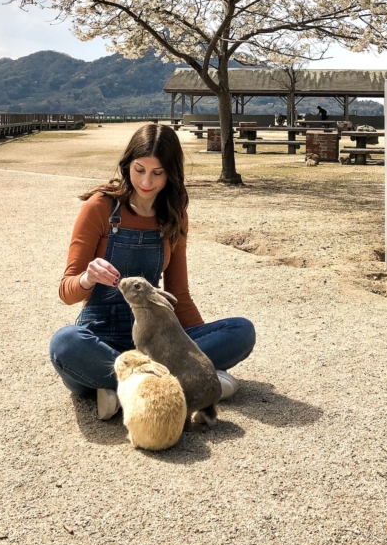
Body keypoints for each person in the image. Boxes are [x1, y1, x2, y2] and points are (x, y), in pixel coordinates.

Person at [49, 123, 256, 420]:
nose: (146, 181)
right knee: (65, 344)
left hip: (158, 340)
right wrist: (87, 277)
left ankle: (124, 389)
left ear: (171, 173)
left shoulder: (173, 215)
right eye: (139, 169)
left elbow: (179, 296)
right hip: (101, 338)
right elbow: (66, 290)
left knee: (241, 331)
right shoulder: (99, 207)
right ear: (127, 165)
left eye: (157, 173)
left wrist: (192, 352)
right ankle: (179, 386)